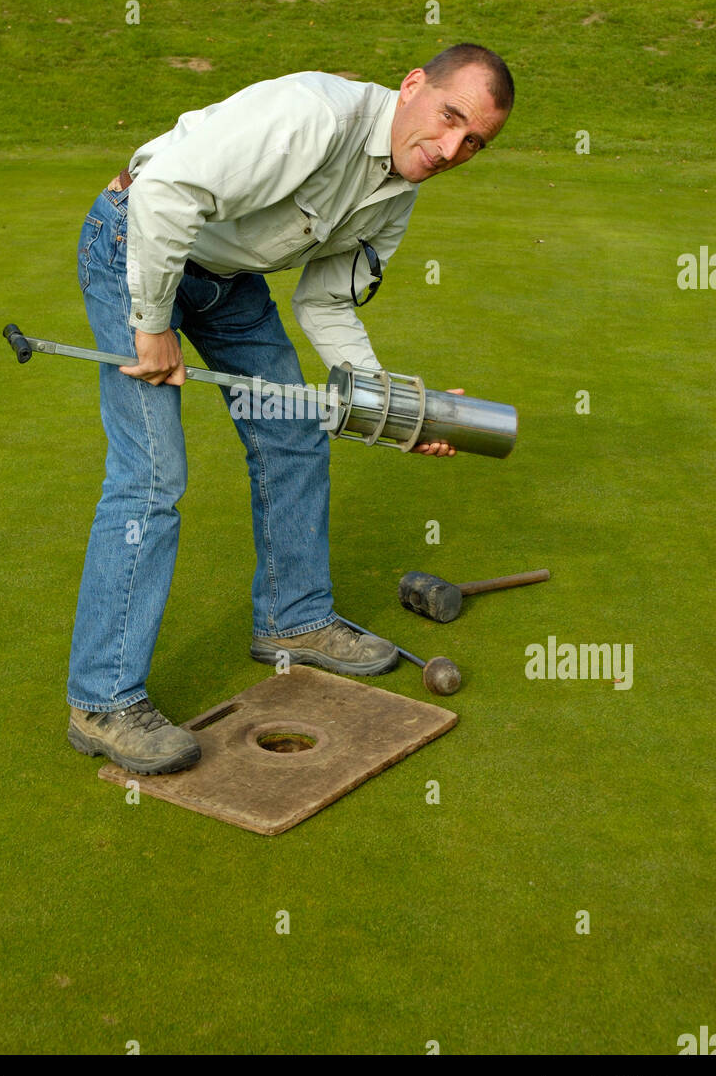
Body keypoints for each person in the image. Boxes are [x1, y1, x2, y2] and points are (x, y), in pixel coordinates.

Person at [66, 43, 514, 775]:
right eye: (450, 118)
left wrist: (396, 411)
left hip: (225, 276)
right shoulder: (313, 115)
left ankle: (294, 618)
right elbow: (165, 193)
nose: (451, 148)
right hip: (134, 244)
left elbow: (327, 302)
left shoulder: (397, 191)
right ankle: (102, 700)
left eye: (475, 144)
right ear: (412, 87)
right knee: (151, 474)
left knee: (294, 435)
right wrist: (152, 324)